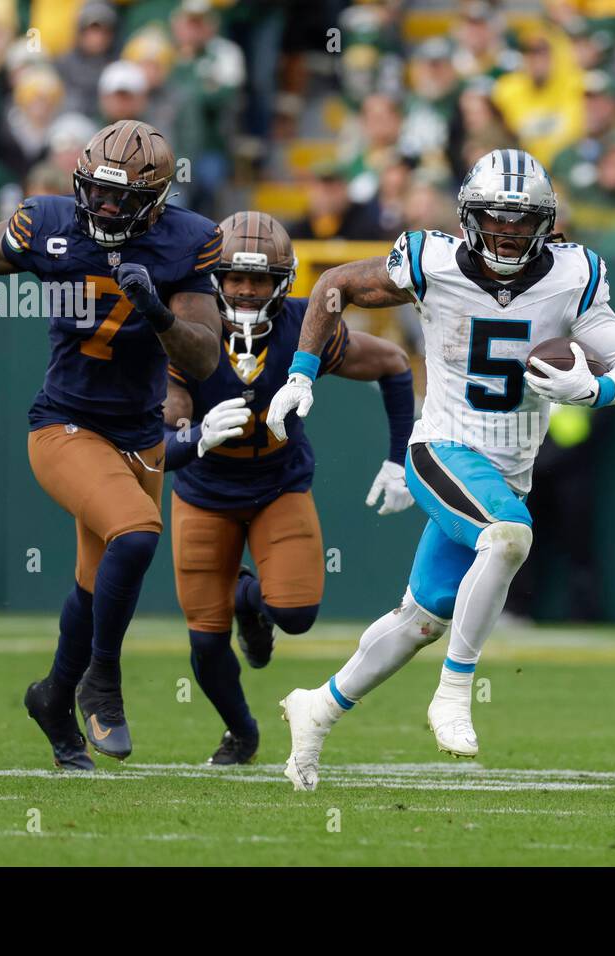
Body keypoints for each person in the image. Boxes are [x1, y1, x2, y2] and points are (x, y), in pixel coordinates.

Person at [267, 148, 615, 791]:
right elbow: (332, 284)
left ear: (547, 225)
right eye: (494, 219)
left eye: (521, 221)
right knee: (509, 537)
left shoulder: (573, 275)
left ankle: (319, 706)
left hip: (509, 467)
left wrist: (596, 392)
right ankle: (453, 693)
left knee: (422, 618)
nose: (506, 233)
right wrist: (302, 374)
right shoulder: (432, 260)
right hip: (443, 446)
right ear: (468, 218)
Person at [0, 120, 223, 770]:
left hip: (140, 433)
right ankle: (103, 680)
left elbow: (203, 360)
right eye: (98, 192)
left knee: (96, 586)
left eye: (123, 200)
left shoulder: (190, 242)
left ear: (156, 202)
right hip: (63, 421)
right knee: (139, 533)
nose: (108, 208)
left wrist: (162, 315)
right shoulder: (46, 222)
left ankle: (53, 698)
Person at [162, 211, 415, 764]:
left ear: (284, 282)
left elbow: (394, 363)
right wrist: (194, 439)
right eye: (235, 278)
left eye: (260, 279)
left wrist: (398, 460)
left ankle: (245, 598)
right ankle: (242, 732)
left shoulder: (307, 327)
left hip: (278, 486)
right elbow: (160, 437)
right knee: (205, 641)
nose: (247, 290)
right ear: (214, 277)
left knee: (297, 612)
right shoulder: (187, 329)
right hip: (204, 491)